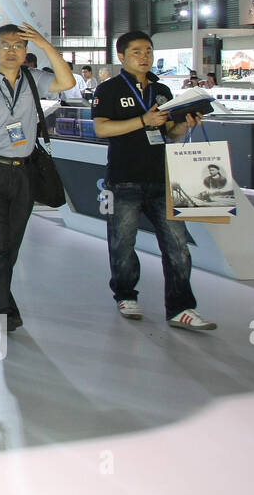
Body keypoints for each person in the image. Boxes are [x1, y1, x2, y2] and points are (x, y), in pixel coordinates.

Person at [91, 31, 214, 331]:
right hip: (124, 179)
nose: (144, 56)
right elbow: (101, 129)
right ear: (121, 56)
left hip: (162, 178)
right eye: (136, 51)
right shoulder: (108, 90)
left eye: (148, 50)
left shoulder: (162, 91)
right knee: (122, 244)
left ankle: (181, 307)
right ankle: (125, 294)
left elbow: (169, 133)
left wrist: (184, 124)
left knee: (177, 247)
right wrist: (142, 121)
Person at [0, 24, 75, 330]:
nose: (11, 51)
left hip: (24, 170)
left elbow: (67, 81)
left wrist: (45, 44)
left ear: (25, 52)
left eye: (18, 46)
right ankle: (3, 305)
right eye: (5, 45)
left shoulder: (35, 80)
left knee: (13, 241)